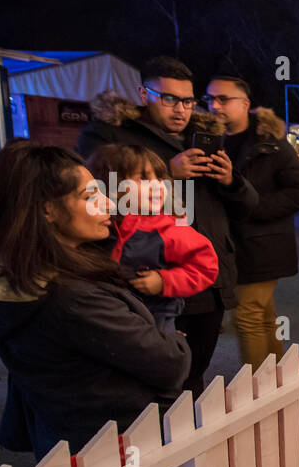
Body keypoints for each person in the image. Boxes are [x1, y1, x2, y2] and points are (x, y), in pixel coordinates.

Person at [0, 141, 190, 459]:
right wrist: (175, 341)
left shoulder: (0, 274)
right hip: (116, 442)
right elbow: (169, 364)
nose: (107, 203)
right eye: (90, 196)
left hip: (62, 433)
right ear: (47, 209)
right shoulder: (71, 298)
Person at [78, 55, 257, 397]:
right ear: (144, 94)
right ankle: (142, 444)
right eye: (169, 98)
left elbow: (249, 206)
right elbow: (92, 192)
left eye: (188, 101)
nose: (180, 109)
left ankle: (186, 442)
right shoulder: (110, 134)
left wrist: (232, 180)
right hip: (141, 279)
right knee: (140, 378)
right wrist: (167, 173)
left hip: (207, 279)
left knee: (193, 374)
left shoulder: (205, 136)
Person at [204, 75, 299, 368]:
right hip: (230, 245)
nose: (214, 105)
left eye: (223, 99)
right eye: (210, 99)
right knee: (263, 314)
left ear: (245, 103)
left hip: (262, 246)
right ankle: (275, 381)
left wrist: (255, 208)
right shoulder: (211, 140)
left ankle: (257, 392)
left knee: (247, 316)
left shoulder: (271, 143)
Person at [84, 143, 218, 334]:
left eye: (160, 178)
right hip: (108, 312)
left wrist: (164, 281)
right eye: (143, 179)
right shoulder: (99, 224)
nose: (158, 186)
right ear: (111, 184)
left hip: (154, 317)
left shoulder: (169, 229)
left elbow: (206, 266)